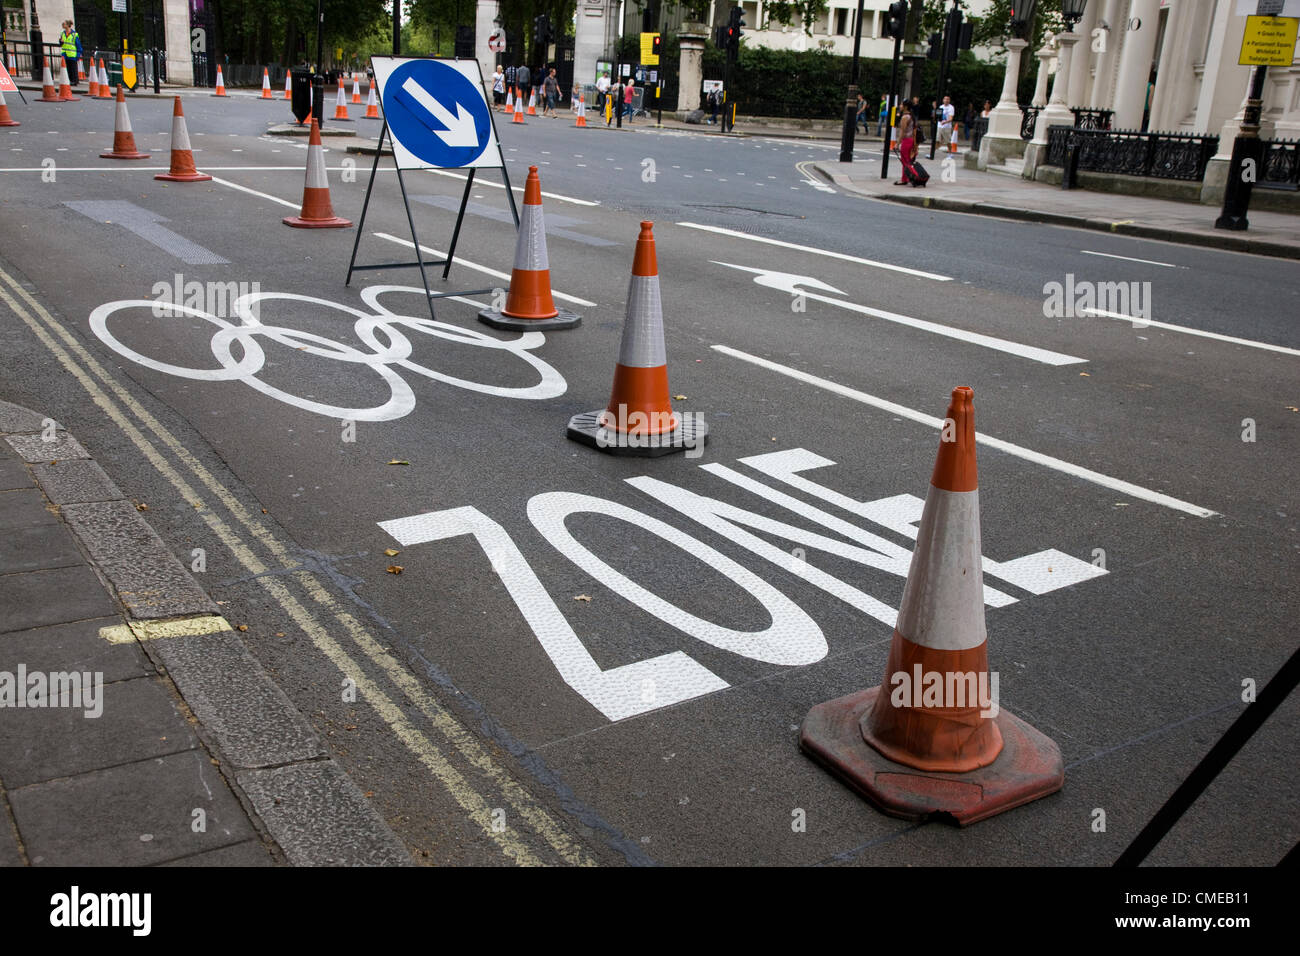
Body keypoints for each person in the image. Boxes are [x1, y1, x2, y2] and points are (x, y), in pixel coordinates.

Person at [894, 102, 917, 185]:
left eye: (901, 105)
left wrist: (897, 143)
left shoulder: (904, 117)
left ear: (905, 107)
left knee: (905, 161)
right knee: (908, 160)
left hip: (906, 141)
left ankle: (904, 179)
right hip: (911, 140)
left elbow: (902, 132)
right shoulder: (911, 116)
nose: (900, 106)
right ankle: (909, 177)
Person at [59, 20, 79, 89]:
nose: (62, 25)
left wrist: (78, 54)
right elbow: (61, 44)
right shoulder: (62, 33)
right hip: (65, 54)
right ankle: (69, 80)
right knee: (67, 68)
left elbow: (78, 44)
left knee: (73, 68)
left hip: (72, 53)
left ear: (67, 25)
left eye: (64, 24)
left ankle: (74, 81)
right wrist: (61, 42)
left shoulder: (74, 34)